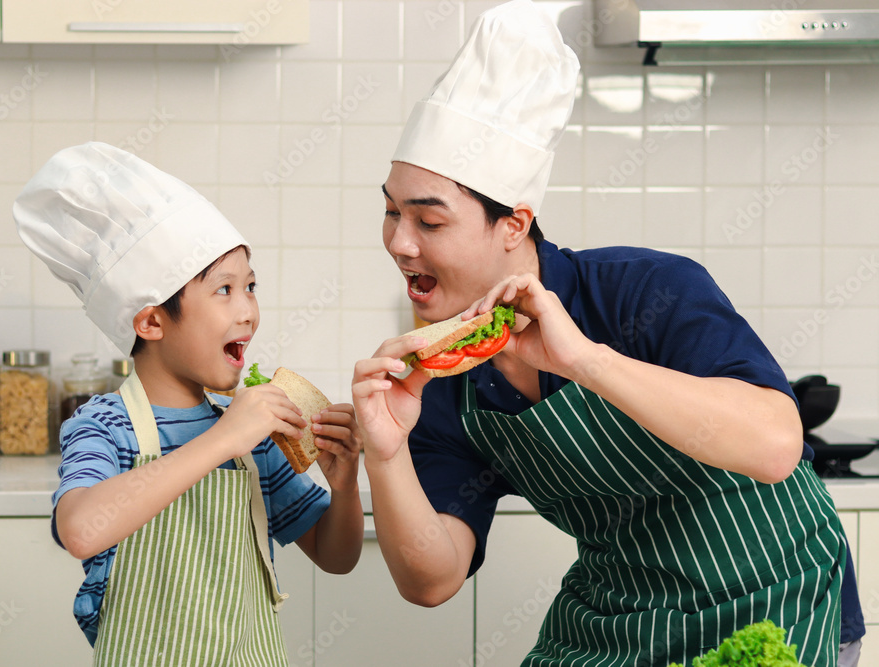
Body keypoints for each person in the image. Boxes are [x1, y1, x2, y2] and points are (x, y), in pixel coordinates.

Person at [351, 2, 864, 666]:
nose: (398, 241)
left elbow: (775, 447)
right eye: (390, 211)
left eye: (429, 221)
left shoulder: (646, 290)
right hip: (622, 616)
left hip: (775, 602)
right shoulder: (443, 380)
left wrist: (584, 361)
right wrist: (386, 452)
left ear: (514, 225)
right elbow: (432, 579)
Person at [14, 142, 364, 665]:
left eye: (251, 286)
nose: (248, 310)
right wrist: (223, 438)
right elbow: (81, 531)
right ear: (152, 321)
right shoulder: (106, 426)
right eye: (224, 290)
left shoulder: (256, 437)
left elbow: (337, 557)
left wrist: (344, 484)